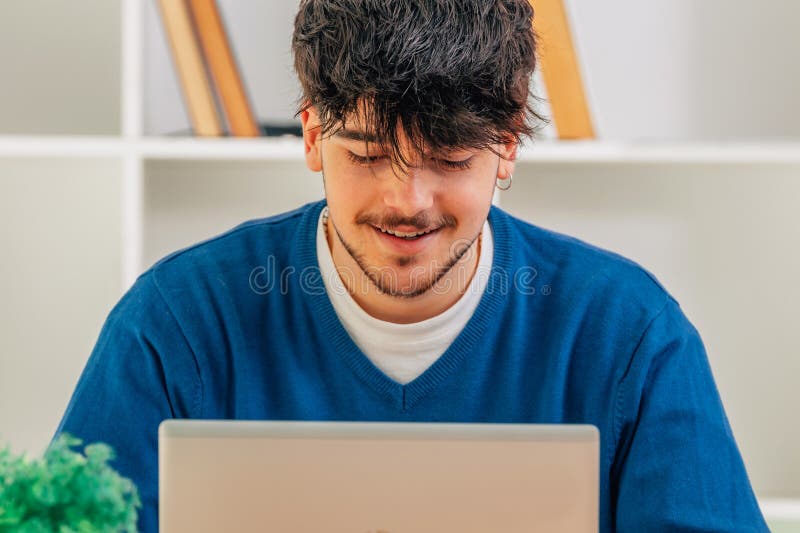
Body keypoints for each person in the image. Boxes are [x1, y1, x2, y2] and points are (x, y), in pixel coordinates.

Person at [56, 1, 769, 531]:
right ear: (311, 134)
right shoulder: (175, 326)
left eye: (450, 159)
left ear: (509, 143)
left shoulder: (628, 336)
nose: (407, 201)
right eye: (366, 155)